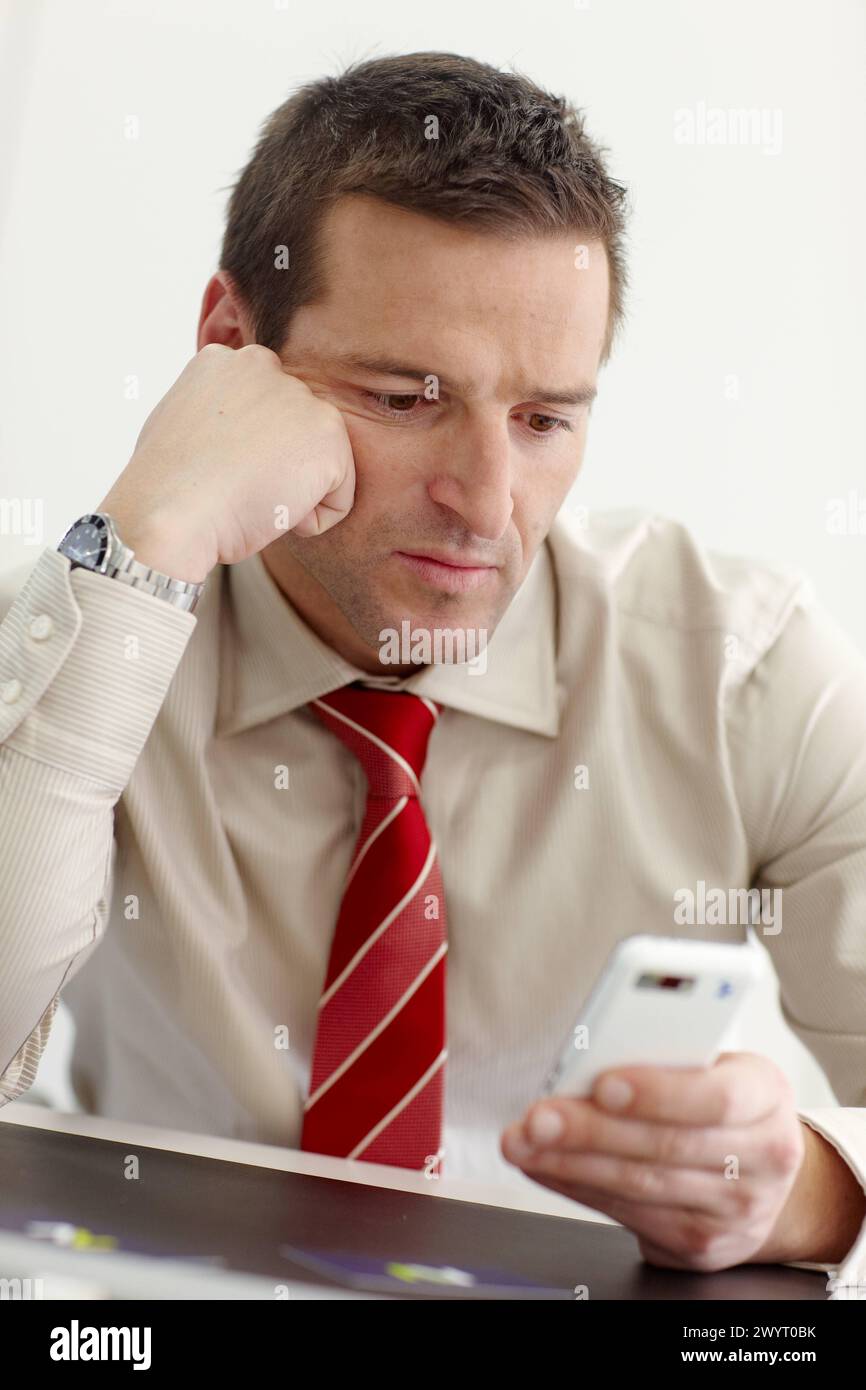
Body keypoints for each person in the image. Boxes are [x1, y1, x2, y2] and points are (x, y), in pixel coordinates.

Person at [1, 51, 865, 1281]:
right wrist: (146, 546)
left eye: (544, 419)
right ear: (228, 345)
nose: (486, 503)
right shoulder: (72, 637)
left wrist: (807, 1192)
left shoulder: (749, 676)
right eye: (407, 398)